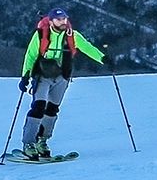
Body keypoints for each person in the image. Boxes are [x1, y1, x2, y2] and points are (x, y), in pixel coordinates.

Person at [18, 8, 105, 158]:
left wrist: (103, 59)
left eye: (64, 19)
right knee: (38, 108)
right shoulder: (40, 35)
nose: (63, 22)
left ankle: (42, 141)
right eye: (59, 19)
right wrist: (25, 76)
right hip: (42, 76)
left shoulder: (72, 35)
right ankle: (29, 143)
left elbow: (87, 48)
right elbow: (31, 55)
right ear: (51, 21)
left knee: (52, 110)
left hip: (61, 77)